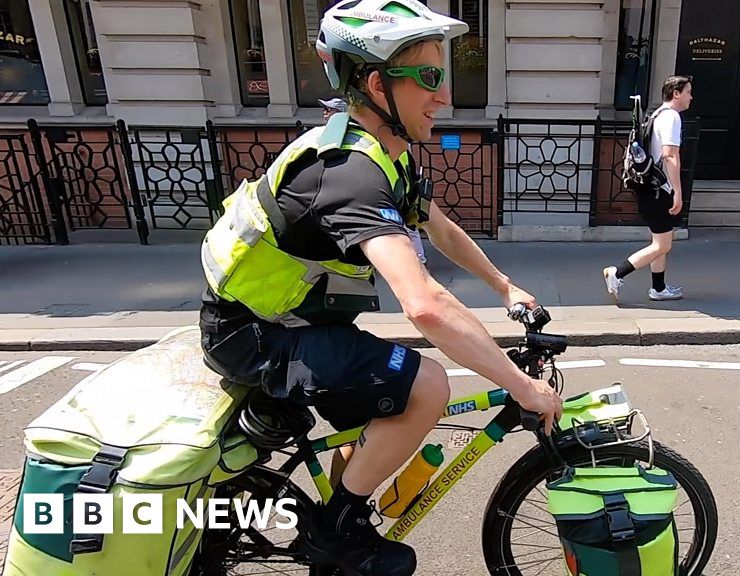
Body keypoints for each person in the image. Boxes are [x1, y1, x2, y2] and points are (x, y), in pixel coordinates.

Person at [198, 2, 563, 574]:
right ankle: (339, 529)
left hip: (291, 322)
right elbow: (424, 304)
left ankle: (342, 506)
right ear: (376, 84)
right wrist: (523, 387)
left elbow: (438, 226)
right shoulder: (350, 173)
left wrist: (505, 287)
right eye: (430, 78)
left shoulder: (385, 156)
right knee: (427, 384)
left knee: (385, 391)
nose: (444, 96)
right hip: (257, 335)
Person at [603, 75, 693, 302]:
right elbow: (670, 156)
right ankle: (618, 273)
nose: (691, 97)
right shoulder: (672, 117)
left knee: (659, 242)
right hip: (659, 188)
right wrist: (677, 192)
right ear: (676, 93)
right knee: (662, 244)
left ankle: (659, 288)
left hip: (648, 185)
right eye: (688, 92)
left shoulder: (656, 114)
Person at [323, 95, 428, 263]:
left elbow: (445, 234)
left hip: (390, 194)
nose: (325, 113)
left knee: (408, 224)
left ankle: (418, 259)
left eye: (330, 109)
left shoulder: (371, 144)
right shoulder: (328, 143)